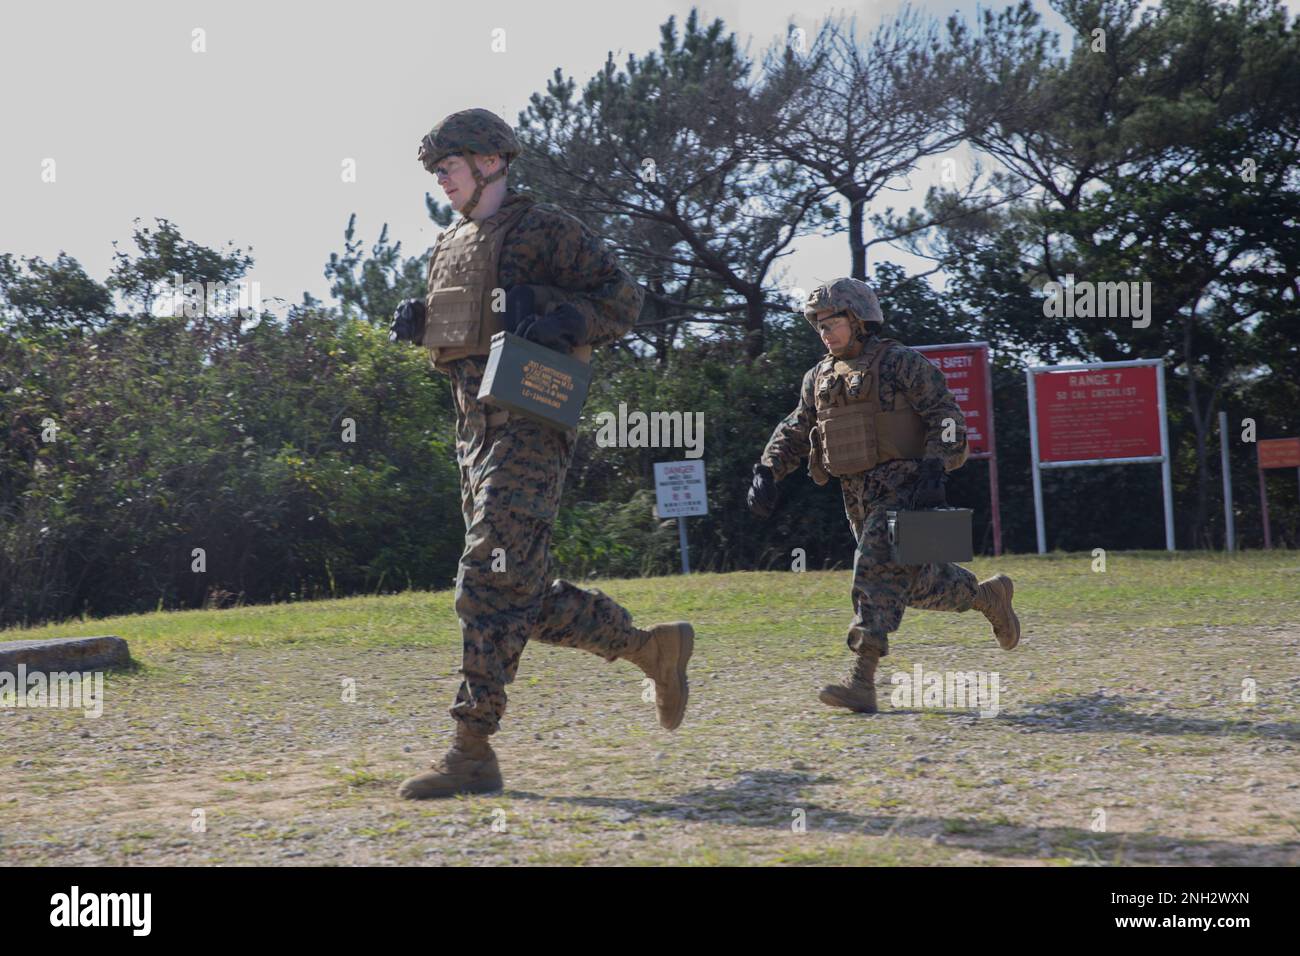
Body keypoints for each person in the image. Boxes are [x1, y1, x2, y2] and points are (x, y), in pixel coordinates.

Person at [390, 108, 694, 798]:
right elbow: (465, 325)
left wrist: (567, 317)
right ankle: (652, 649)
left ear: (492, 161)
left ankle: (471, 748)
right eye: (435, 169)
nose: (440, 178)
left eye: (450, 165)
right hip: (472, 430)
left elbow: (622, 299)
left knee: (485, 574)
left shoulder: (547, 230)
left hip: (531, 418)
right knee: (518, 590)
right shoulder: (449, 245)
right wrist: (421, 321)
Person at [747, 277, 1020, 713]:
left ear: (857, 318)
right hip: (856, 496)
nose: (824, 332)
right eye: (818, 325)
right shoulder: (818, 377)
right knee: (910, 585)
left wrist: (936, 465)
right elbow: (797, 428)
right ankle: (987, 597)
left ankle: (862, 679)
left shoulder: (900, 363)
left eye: (832, 322)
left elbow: (946, 416)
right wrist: (767, 469)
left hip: (908, 490)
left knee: (872, 567)